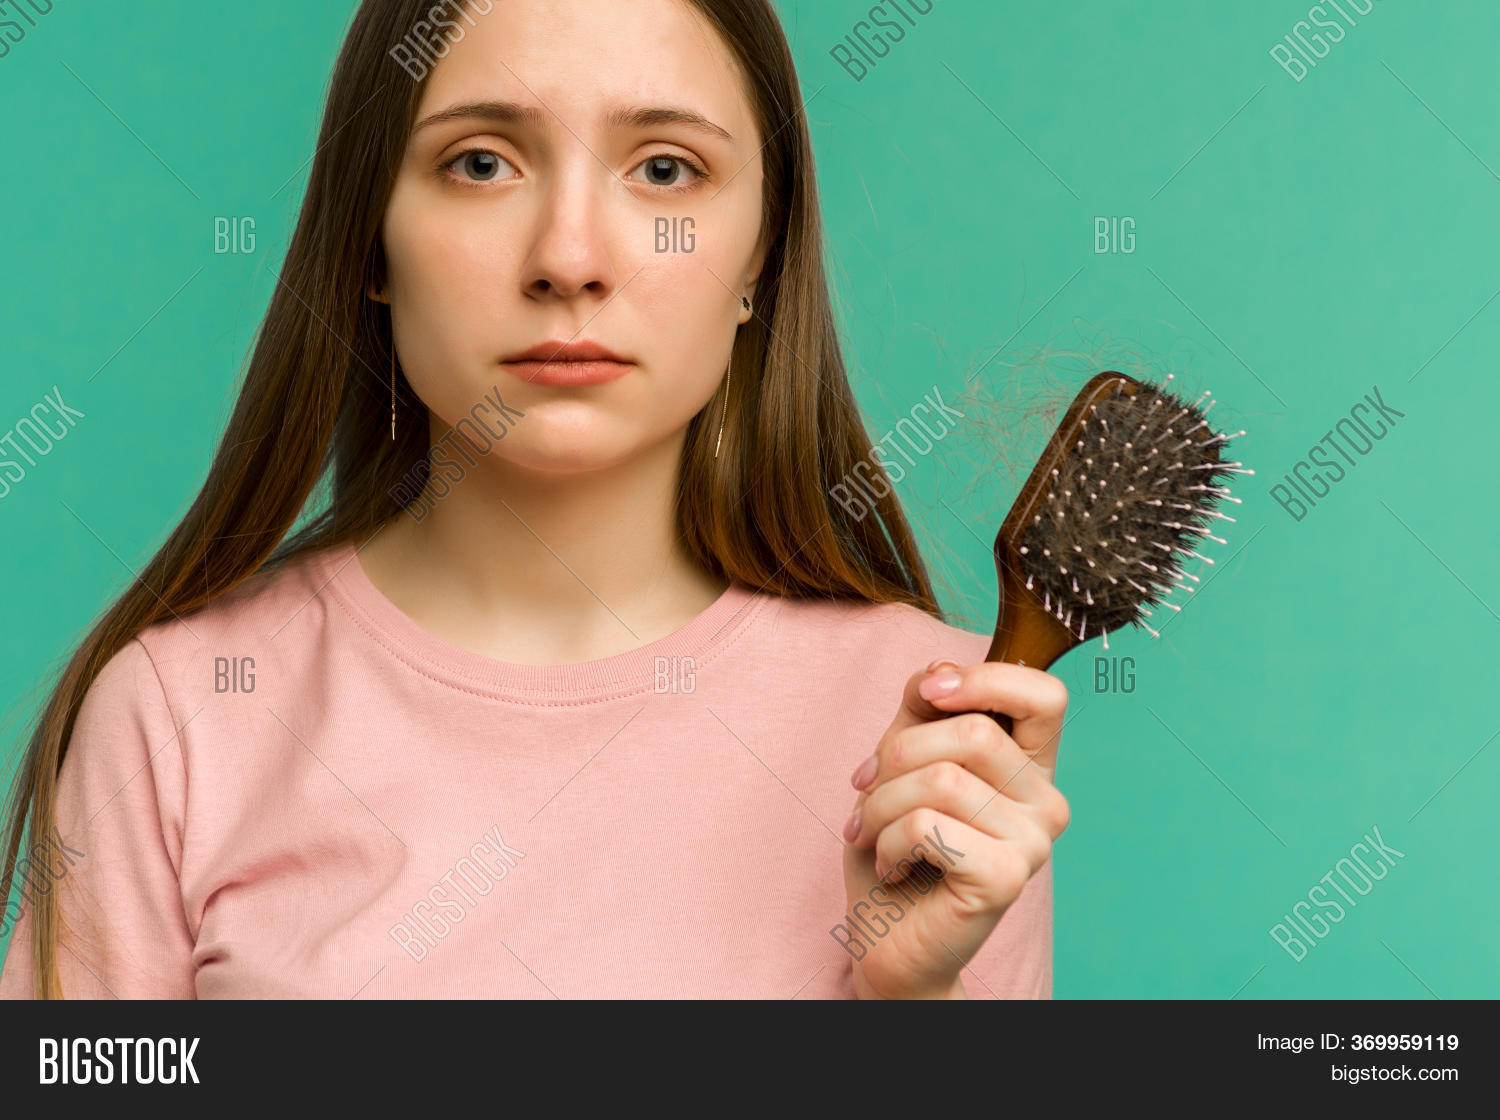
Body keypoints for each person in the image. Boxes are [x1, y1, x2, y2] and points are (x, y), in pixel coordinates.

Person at [1, 0, 1068, 1000]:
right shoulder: (182, 717)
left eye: (664, 169)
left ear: (762, 255)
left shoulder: (939, 734)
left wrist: (916, 1009)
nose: (568, 258)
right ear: (370, 237)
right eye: (480, 162)